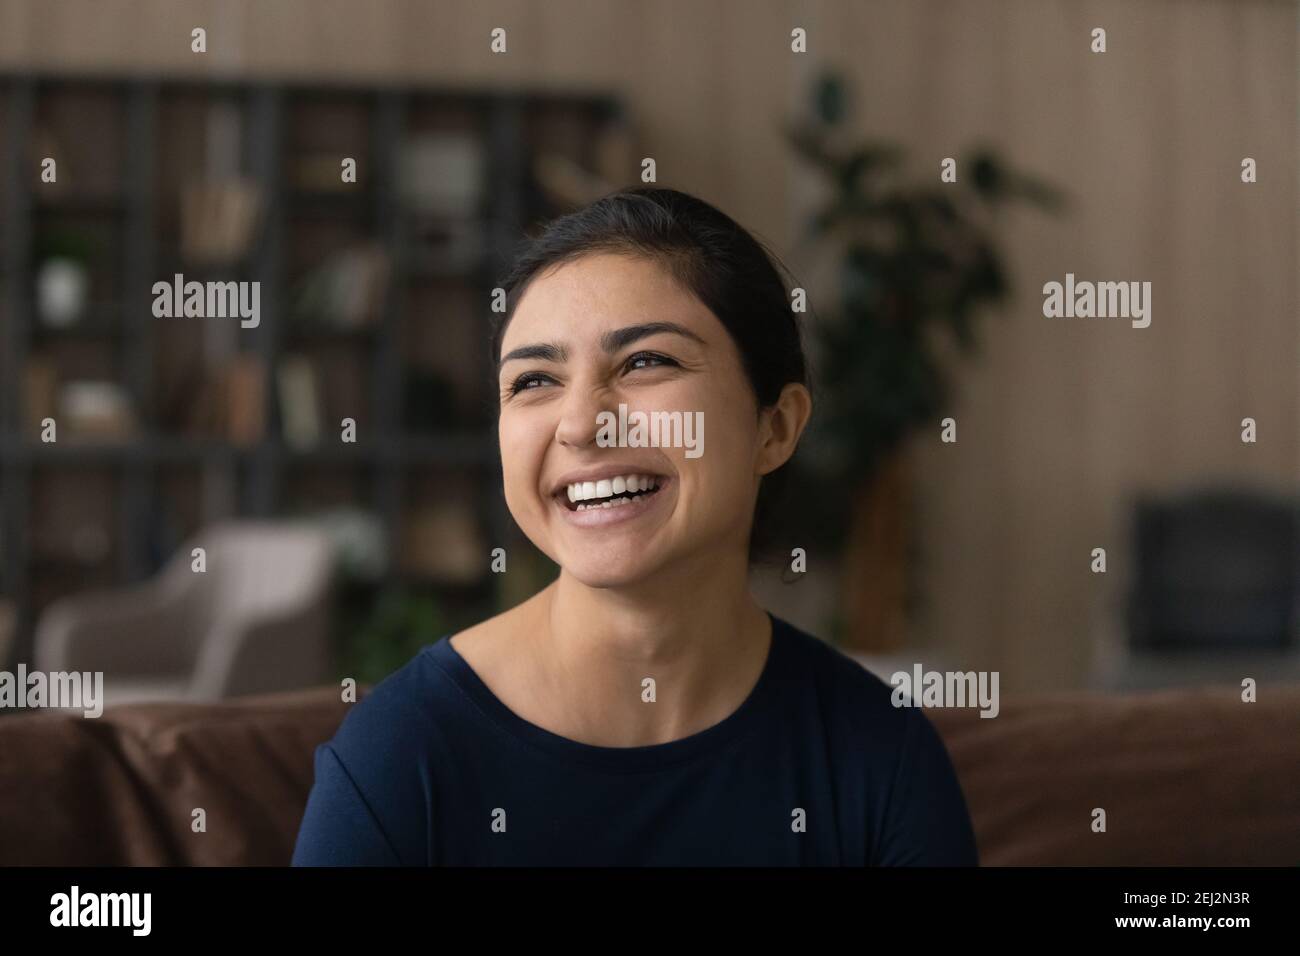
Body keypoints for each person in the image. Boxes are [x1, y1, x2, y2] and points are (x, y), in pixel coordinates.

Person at [291, 186, 978, 866]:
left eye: (647, 361)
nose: (583, 424)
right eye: (533, 380)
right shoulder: (401, 756)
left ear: (775, 426)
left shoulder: (880, 758)